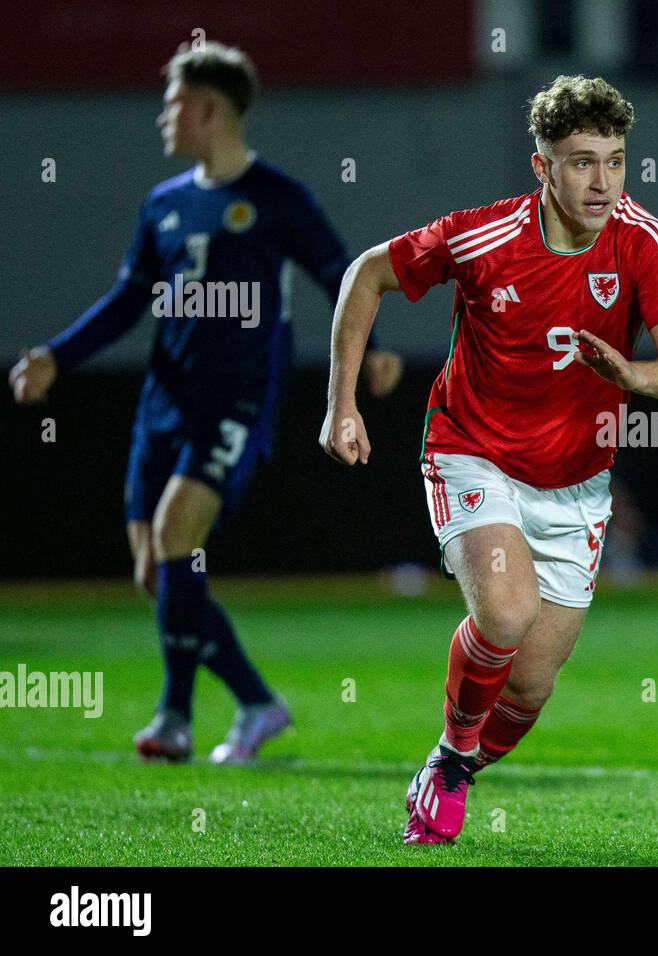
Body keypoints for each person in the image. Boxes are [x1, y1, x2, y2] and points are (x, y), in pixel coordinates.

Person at [319, 75, 658, 844]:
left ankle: (447, 763)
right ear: (543, 167)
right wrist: (341, 404)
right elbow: (368, 273)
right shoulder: (483, 237)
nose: (603, 183)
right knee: (504, 611)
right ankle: (455, 761)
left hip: (577, 484)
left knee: (530, 684)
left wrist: (633, 375)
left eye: (616, 161)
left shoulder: (644, 241)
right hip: (473, 452)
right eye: (581, 162)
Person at [8, 42, 403, 764]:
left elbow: (343, 275)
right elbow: (131, 299)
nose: (164, 116)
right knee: (158, 573)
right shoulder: (163, 205)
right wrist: (57, 357)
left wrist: (372, 351)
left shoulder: (279, 199)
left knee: (176, 534)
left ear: (211, 109)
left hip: (238, 400)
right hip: (164, 400)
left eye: (175, 103)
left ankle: (174, 719)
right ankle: (257, 703)